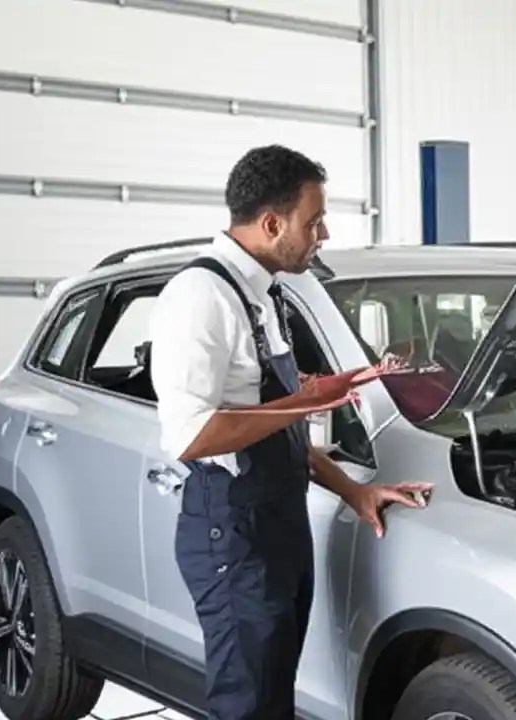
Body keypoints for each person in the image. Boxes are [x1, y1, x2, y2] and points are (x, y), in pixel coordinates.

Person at [148, 144, 432, 719]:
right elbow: (191, 434)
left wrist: (352, 490)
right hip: (232, 532)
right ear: (273, 223)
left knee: (273, 696)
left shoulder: (266, 295)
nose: (322, 234)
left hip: (278, 523)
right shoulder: (201, 297)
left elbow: (273, 426)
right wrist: (306, 400)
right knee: (249, 704)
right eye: (315, 221)